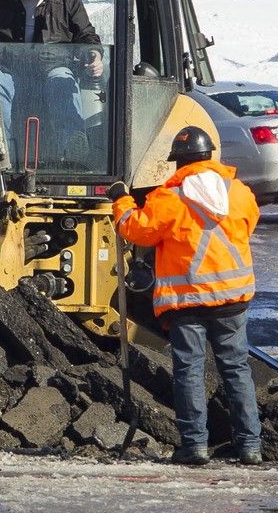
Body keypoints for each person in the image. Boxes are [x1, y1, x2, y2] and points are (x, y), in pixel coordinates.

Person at [108, 126, 263, 466]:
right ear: (210, 156)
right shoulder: (239, 192)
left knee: (190, 372)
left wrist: (120, 200)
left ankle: (195, 447)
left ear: (179, 163)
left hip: (188, 302)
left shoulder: (171, 197)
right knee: (236, 369)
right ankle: (250, 446)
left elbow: (137, 230)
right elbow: (249, 224)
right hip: (232, 299)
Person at [0, 0, 100, 165]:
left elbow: (86, 34)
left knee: (62, 84)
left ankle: (73, 146)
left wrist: (94, 54)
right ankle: (0, 150)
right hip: (7, 65)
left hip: (53, 66)